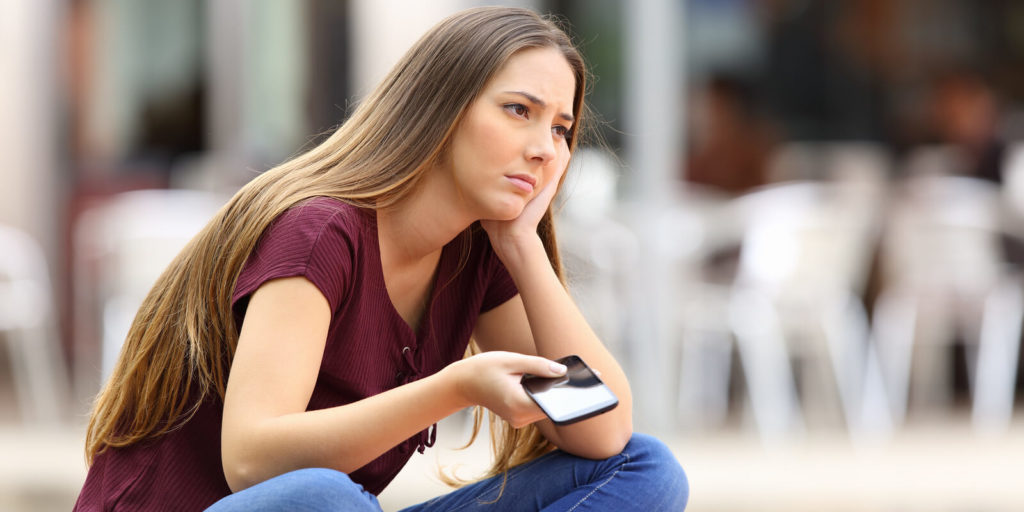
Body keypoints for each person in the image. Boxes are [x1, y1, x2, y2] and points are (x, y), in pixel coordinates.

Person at [74, 7, 688, 511]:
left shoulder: (478, 253)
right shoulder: (320, 230)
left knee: (645, 468)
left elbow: (600, 429)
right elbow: (251, 459)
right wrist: (452, 389)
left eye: (561, 128)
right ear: (441, 109)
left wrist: (523, 247)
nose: (543, 149)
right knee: (320, 497)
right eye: (518, 110)